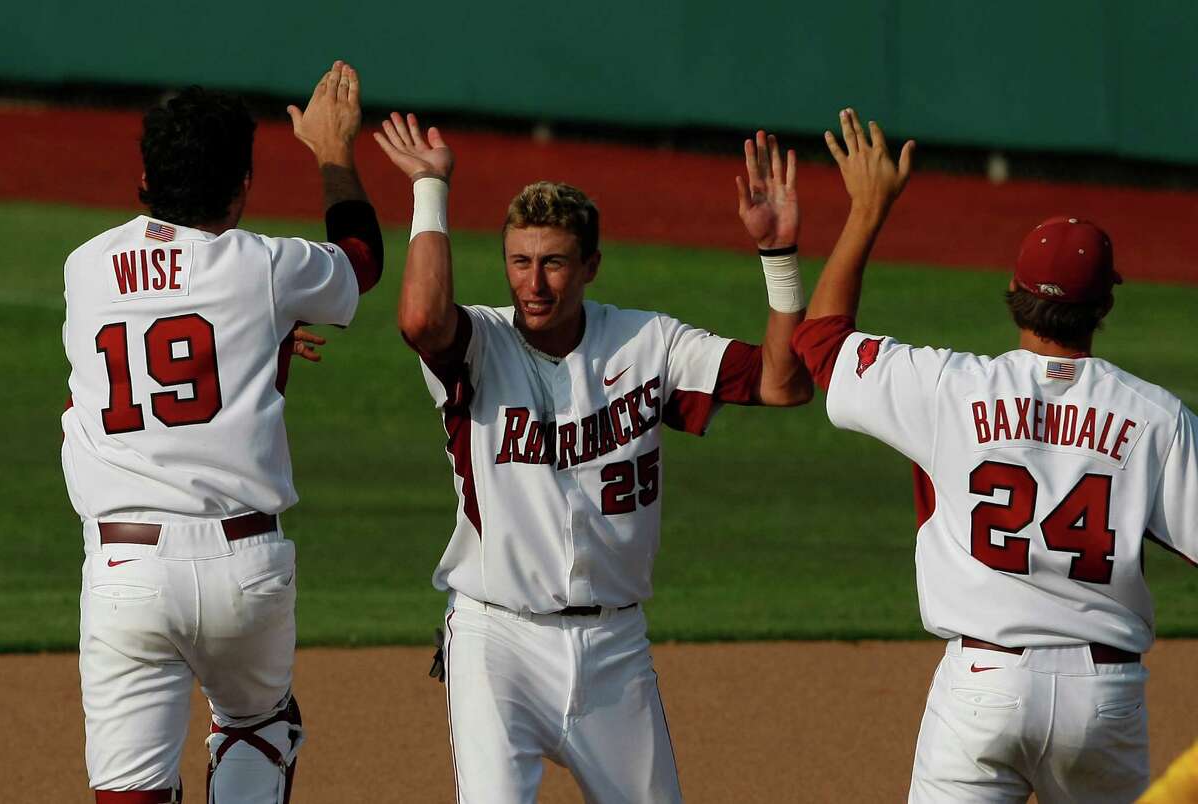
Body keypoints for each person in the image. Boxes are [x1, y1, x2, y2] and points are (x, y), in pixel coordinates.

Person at [373, 112, 812, 802]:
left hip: (615, 647)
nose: (534, 283)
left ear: (591, 266)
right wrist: (431, 188)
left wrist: (779, 258)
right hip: (499, 639)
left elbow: (782, 383)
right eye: (520, 261)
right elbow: (422, 320)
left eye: (553, 262)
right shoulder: (479, 345)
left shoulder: (649, 344)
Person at [791, 108, 1198, 803]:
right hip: (1106, 698)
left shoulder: (948, 387)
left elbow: (821, 342)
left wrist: (867, 211)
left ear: (1014, 295)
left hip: (983, 687)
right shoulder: (1157, 417)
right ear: (1103, 306)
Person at [61, 61, 384, 802]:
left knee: (129, 790)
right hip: (246, 568)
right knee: (254, 727)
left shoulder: (85, 270)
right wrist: (334, 152)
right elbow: (360, 264)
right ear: (242, 188)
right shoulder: (263, 267)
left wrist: (255, 339)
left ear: (144, 177)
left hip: (124, 573)